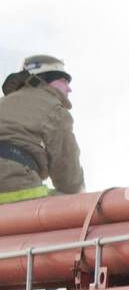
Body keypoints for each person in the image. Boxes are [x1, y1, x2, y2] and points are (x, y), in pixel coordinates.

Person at [0, 55, 84, 204]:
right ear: (46, 80)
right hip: (11, 180)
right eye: (64, 80)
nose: (69, 88)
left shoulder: (4, 103)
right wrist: (81, 203)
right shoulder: (53, 108)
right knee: (62, 208)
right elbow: (67, 174)